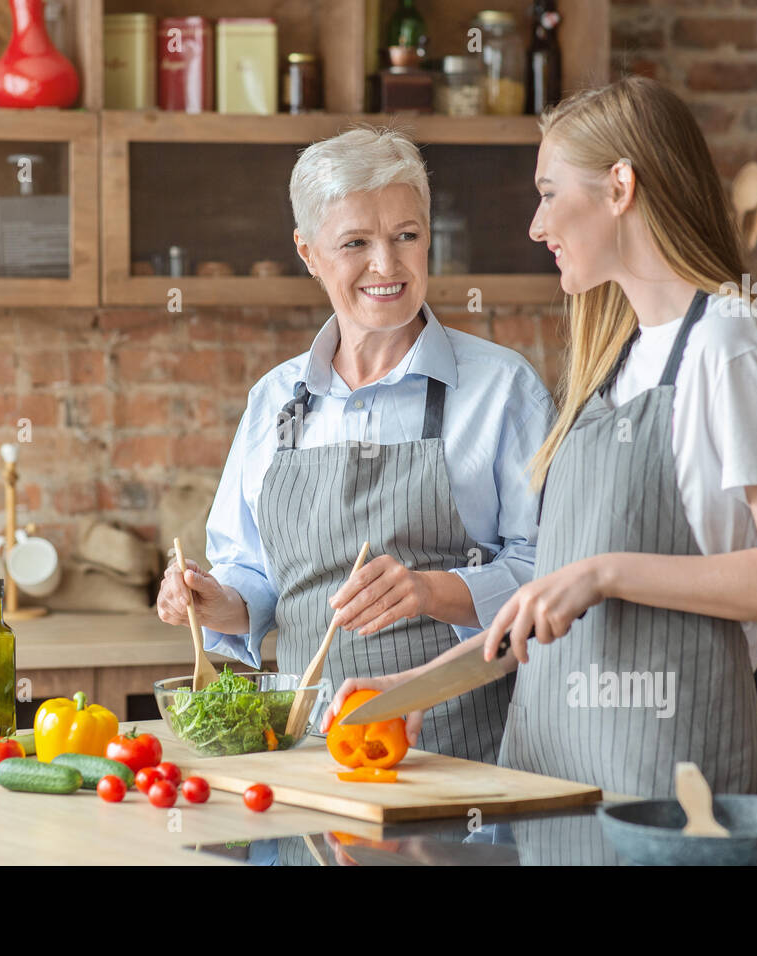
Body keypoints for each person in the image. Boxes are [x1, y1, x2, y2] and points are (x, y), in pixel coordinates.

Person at [324, 77, 757, 799]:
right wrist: (415, 687)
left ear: (620, 186)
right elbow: (555, 608)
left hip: (671, 787)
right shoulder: (617, 360)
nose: (538, 226)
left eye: (547, 192)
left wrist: (606, 572)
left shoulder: (730, 345)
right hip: (552, 782)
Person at [156, 127, 555, 763]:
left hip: (464, 756)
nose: (388, 266)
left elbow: (551, 579)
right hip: (304, 752)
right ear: (308, 252)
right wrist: (215, 602)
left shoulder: (503, 390)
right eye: (355, 243)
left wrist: (431, 589)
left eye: (407, 236)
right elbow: (258, 581)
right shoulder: (275, 401)